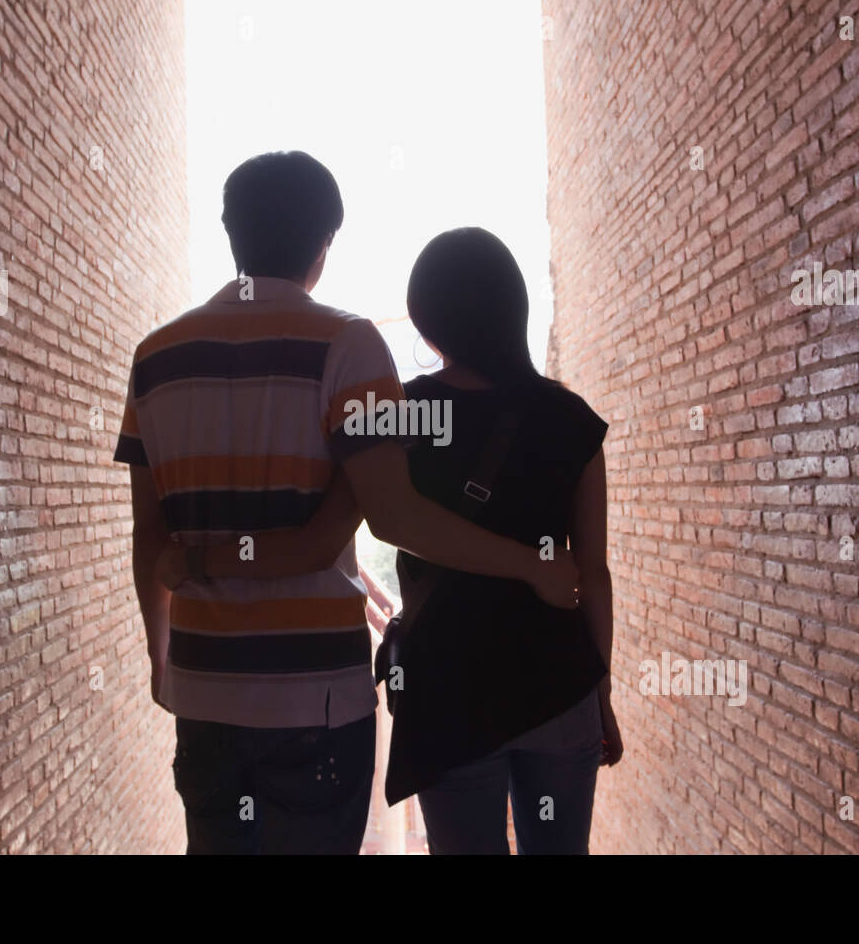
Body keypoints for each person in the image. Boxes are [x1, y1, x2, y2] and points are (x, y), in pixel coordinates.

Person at [116, 152, 579, 855]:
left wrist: (161, 657)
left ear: (230, 232)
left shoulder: (156, 357)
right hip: (316, 700)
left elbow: (148, 536)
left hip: (204, 692)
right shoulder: (350, 345)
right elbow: (393, 514)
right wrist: (529, 563)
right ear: (324, 243)